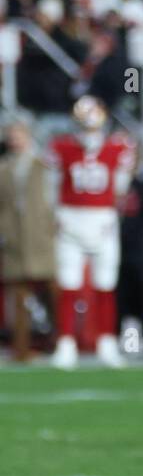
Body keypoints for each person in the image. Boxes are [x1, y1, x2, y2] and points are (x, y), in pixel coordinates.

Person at [48, 96, 135, 368]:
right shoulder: (61, 147)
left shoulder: (116, 148)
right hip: (71, 220)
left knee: (105, 285)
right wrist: (57, 215)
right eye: (84, 128)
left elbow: (121, 188)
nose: (89, 135)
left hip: (102, 220)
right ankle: (66, 343)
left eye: (93, 128)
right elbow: (50, 187)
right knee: (69, 286)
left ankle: (107, 342)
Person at [0, 118, 56, 361]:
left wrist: (52, 225)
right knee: (18, 293)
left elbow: (54, 197)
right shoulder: (4, 168)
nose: (15, 140)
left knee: (54, 289)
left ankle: (60, 341)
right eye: (11, 136)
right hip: (15, 237)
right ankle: (20, 348)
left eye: (19, 134)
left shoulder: (44, 165)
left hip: (40, 235)